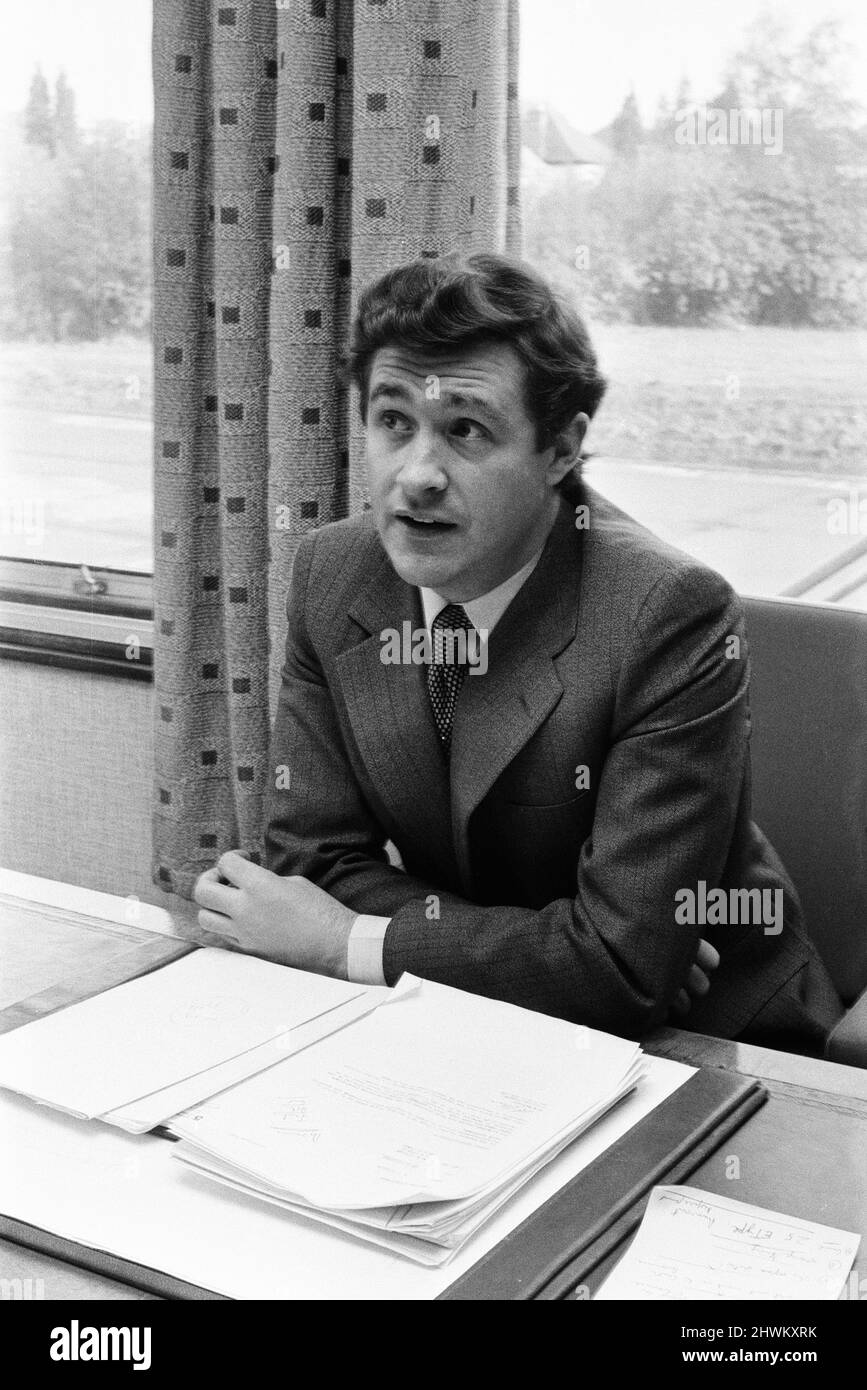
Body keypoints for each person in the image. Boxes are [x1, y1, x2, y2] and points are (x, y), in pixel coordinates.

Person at [194, 253, 842, 1051]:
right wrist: (573, 958)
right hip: (459, 1018)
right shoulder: (334, 573)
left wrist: (343, 942)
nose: (417, 477)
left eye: (465, 429)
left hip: (704, 1039)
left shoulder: (666, 612)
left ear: (560, 451)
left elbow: (622, 973)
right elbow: (315, 862)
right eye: (394, 422)